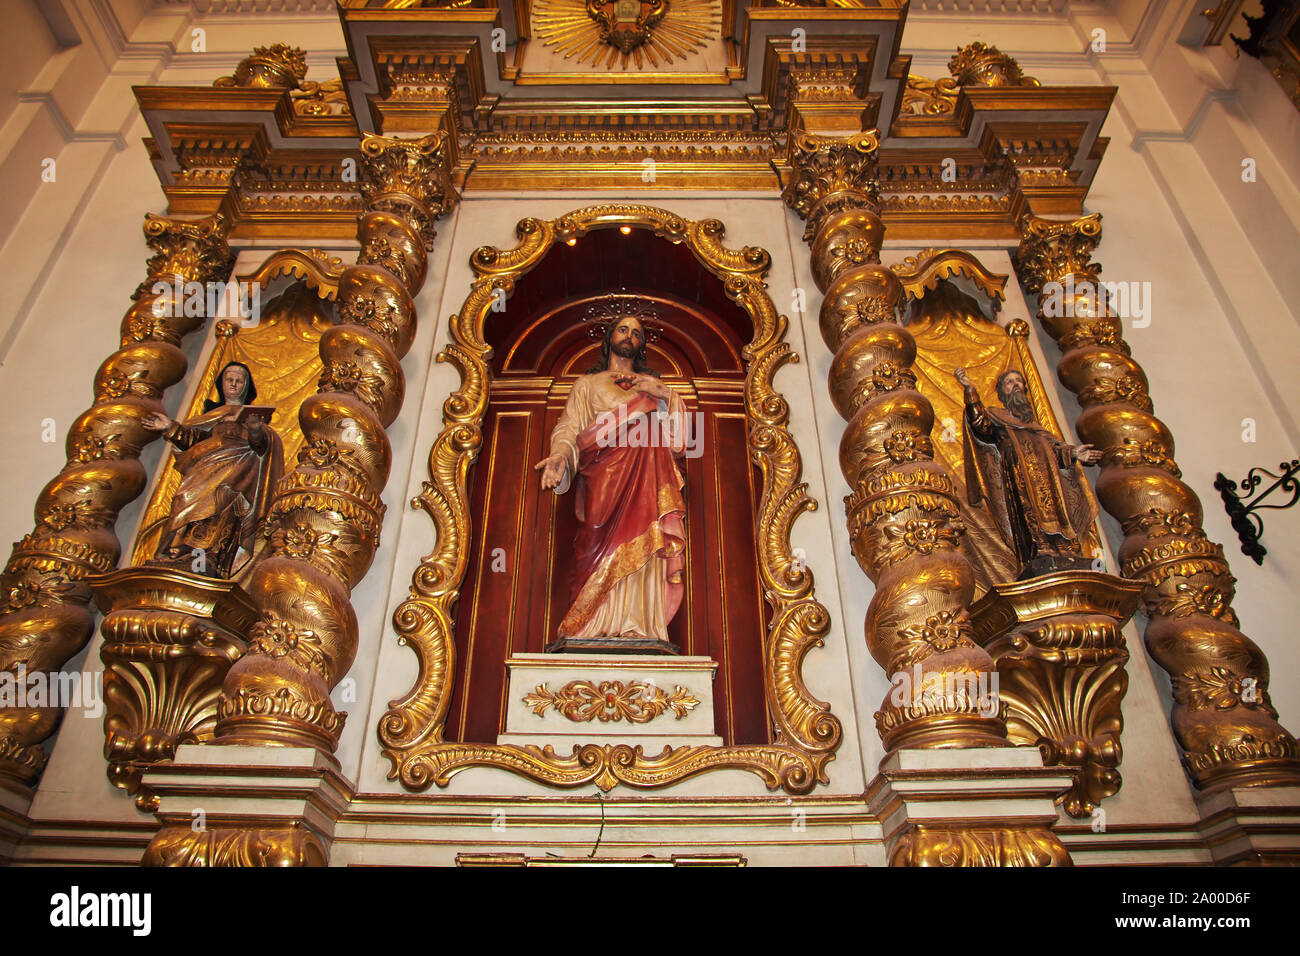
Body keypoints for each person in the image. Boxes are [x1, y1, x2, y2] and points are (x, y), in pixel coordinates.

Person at [534, 312, 688, 654]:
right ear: (610, 338)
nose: (629, 335)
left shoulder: (652, 389)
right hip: (602, 475)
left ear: (641, 343)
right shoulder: (587, 385)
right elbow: (569, 428)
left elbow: (683, 442)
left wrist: (664, 394)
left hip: (646, 480)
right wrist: (560, 456)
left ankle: (641, 624)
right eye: (623, 329)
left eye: (636, 332)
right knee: (594, 540)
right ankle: (590, 624)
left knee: (645, 541)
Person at [956, 366, 1101, 578]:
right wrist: (970, 391)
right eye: (1010, 382)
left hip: (1049, 481)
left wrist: (1075, 453)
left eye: (1019, 381)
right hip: (1021, 479)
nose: (1016, 385)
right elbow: (981, 427)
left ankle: (1067, 552)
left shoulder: (1035, 427)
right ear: (1002, 392)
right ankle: (1039, 552)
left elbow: (1055, 449)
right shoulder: (998, 418)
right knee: (1030, 515)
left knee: (1059, 514)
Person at [142, 361, 282, 578]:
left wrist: (254, 429)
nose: (234, 383)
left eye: (239, 380)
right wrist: (169, 428)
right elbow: (196, 442)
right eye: (229, 379)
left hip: (237, 477)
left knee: (220, 516)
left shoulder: (253, 420)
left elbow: (261, 448)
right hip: (203, 473)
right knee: (185, 503)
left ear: (246, 386)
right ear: (222, 383)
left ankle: (208, 558)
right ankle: (178, 553)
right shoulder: (212, 417)